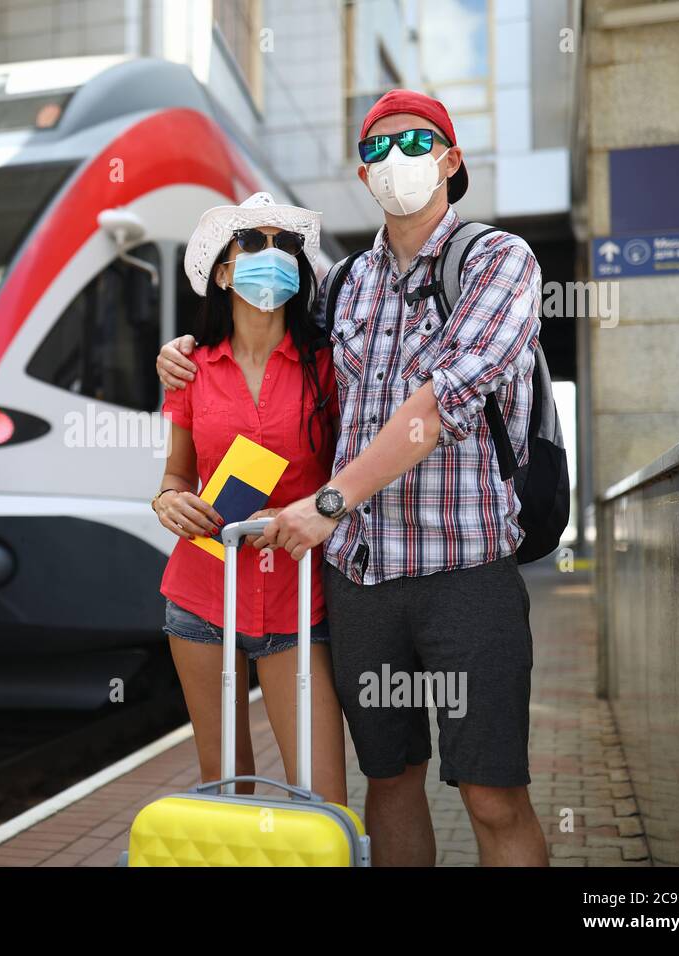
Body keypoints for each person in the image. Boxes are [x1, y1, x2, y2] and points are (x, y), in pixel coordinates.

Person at [156, 90, 548, 866]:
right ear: (362, 173)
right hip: (360, 585)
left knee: (492, 793)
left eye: (415, 142)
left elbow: (438, 406)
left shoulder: (500, 261)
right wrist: (182, 353)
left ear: (450, 159)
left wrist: (329, 502)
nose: (394, 160)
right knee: (389, 779)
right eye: (376, 148)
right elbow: (268, 357)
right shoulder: (345, 287)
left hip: (463, 575)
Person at [153, 192, 346, 804]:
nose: (273, 255)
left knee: (323, 802)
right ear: (223, 269)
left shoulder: (332, 366)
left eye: (286, 245)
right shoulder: (190, 370)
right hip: (202, 599)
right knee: (226, 795)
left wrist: (307, 509)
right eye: (255, 243)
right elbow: (176, 477)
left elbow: (355, 479)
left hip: (297, 603)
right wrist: (167, 503)